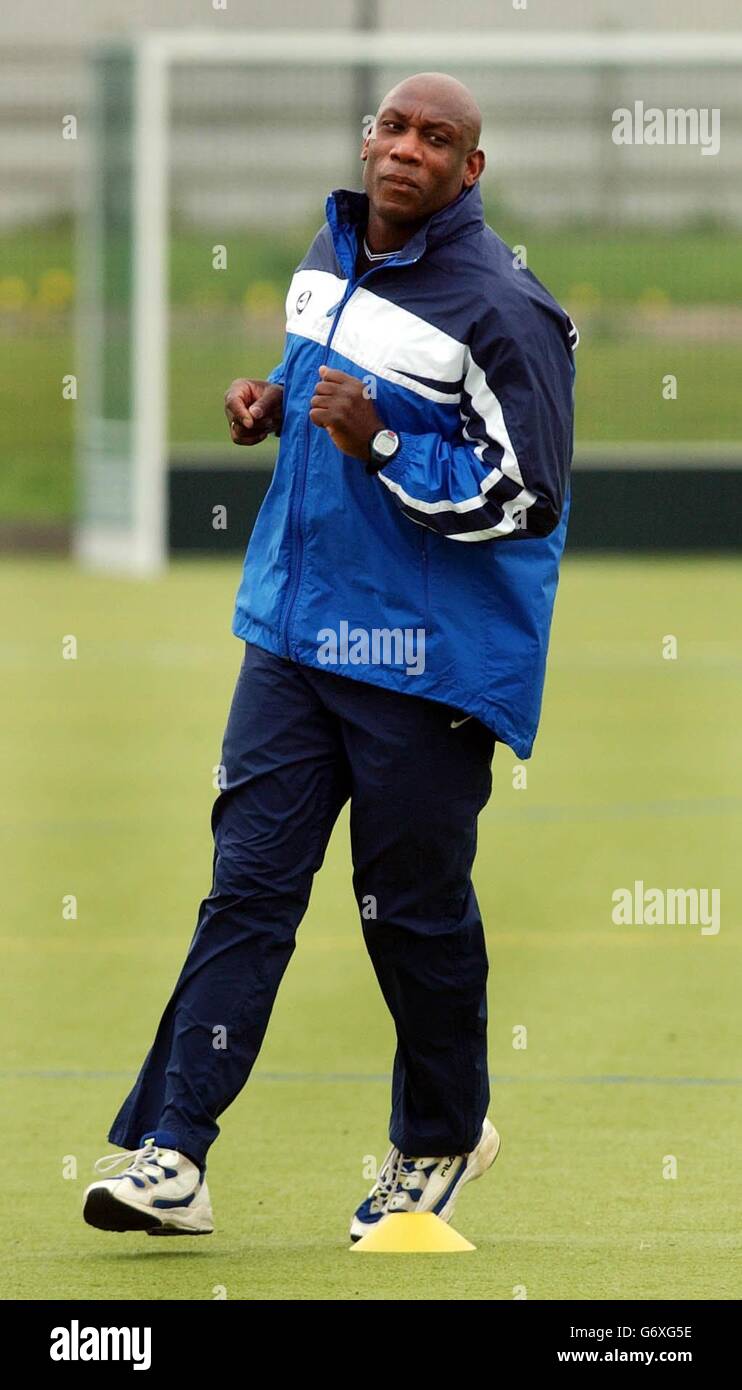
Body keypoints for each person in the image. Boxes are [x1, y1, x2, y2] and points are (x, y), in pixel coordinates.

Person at [83, 71, 576, 1242]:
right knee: (245, 892)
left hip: (425, 664)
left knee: (409, 912)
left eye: (437, 138)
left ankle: (440, 1137)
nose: (407, 149)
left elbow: (528, 497)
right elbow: (330, 391)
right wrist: (275, 401)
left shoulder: (507, 309)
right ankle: (173, 1154)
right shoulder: (332, 246)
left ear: (472, 169)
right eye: (394, 128)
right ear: (369, 140)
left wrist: (384, 440)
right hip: (293, 643)